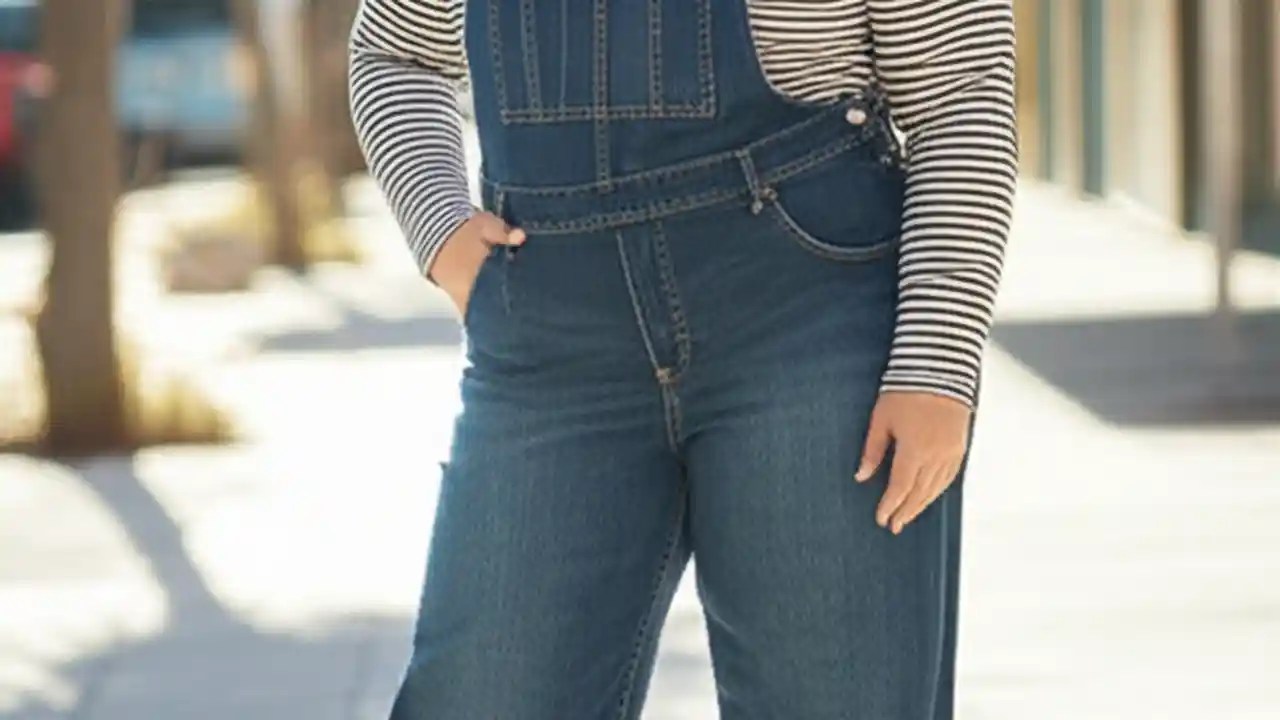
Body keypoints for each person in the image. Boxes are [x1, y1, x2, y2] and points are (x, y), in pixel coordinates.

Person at [349, 1, 1016, 717]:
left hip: (812, 327)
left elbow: (962, 91)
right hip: (552, 354)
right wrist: (441, 230)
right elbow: (395, 55)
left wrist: (936, 359)